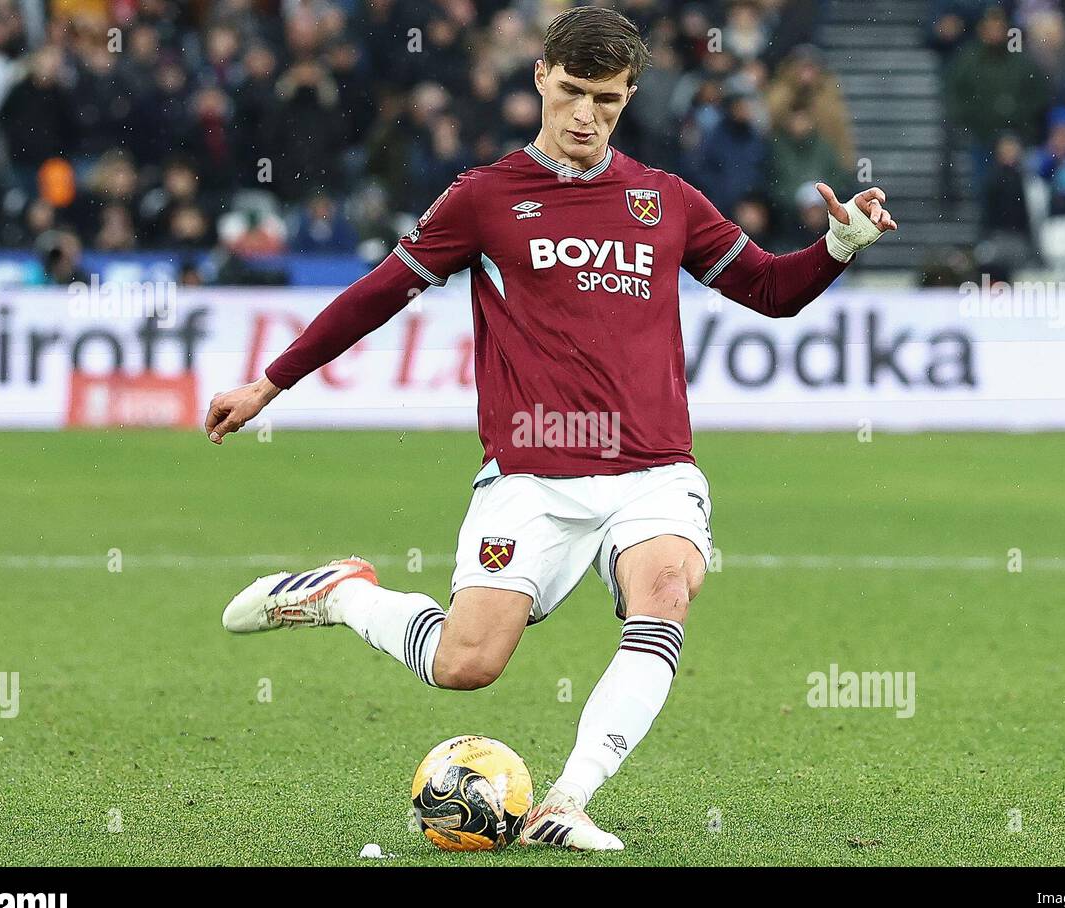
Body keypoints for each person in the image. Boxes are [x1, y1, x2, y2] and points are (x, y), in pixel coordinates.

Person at [205, 6, 895, 852]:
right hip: (533, 475)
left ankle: (568, 797)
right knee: (466, 665)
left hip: (652, 470)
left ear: (629, 96)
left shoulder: (664, 200)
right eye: (571, 92)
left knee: (668, 591)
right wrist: (271, 382)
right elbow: (378, 293)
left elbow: (771, 289)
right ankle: (344, 594)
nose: (585, 116)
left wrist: (837, 245)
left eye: (606, 100)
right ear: (540, 78)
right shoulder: (485, 198)